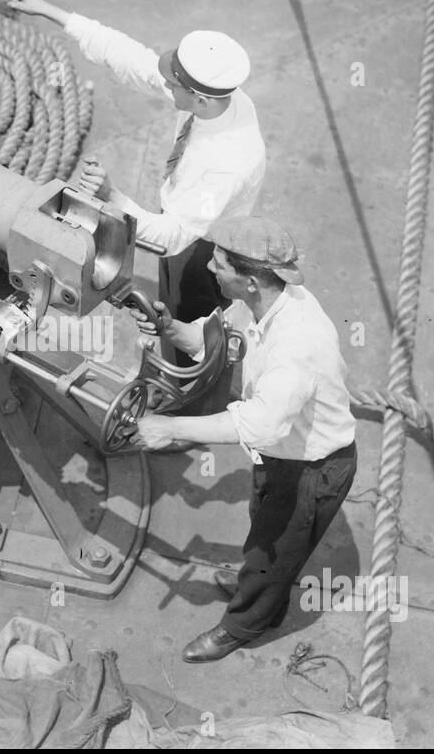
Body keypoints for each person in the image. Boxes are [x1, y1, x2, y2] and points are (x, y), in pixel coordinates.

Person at [130, 217, 357, 662]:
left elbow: (260, 426)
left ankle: (243, 625)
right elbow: (219, 343)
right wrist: (169, 327)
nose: (211, 268)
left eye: (219, 263)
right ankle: (262, 588)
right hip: (280, 459)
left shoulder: (297, 346)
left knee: (275, 550)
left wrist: (169, 427)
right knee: (266, 539)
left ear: (250, 281)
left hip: (311, 471)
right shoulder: (266, 303)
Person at [0, 0, 265, 324]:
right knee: (172, 284)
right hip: (185, 214)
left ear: (199, 99)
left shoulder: (228, 164)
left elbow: (173, 237)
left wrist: (112, 196)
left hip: (206, 243)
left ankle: (187, 367)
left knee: (190, 316)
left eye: (173, 84)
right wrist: (51, 12)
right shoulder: (215, 100)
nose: (164, 85)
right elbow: (135, 61)